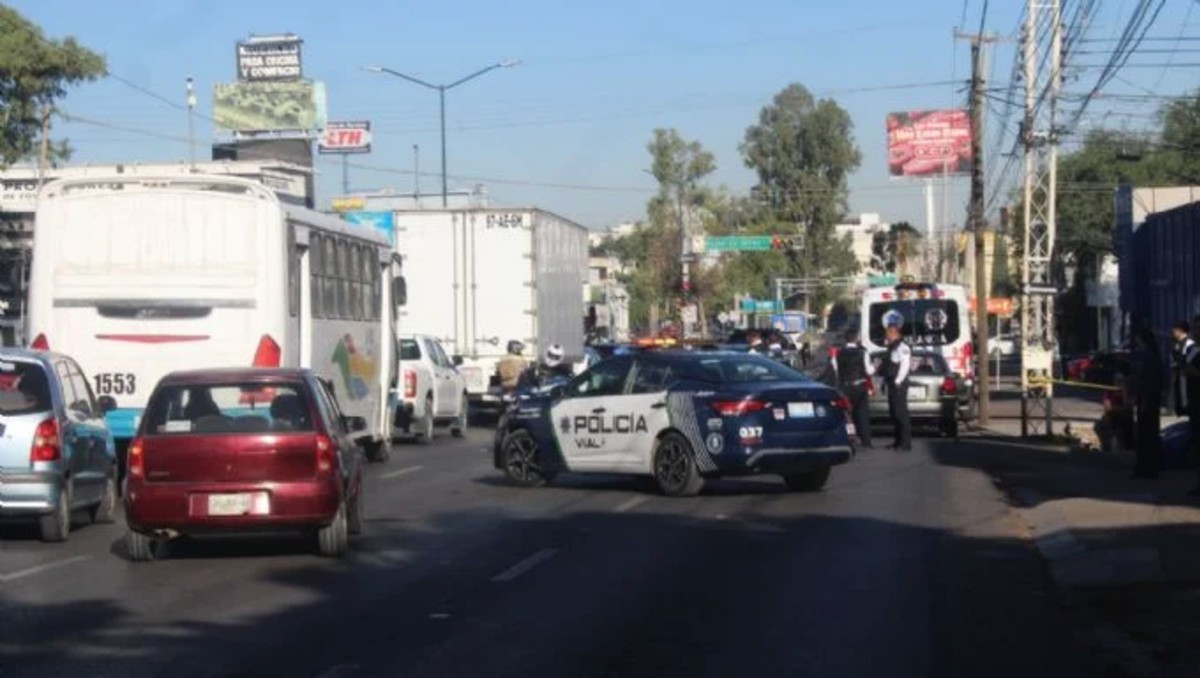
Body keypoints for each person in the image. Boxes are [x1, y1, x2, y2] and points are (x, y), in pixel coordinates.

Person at [1129, 327, 1164, 479]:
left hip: (1148, 402)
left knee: (1146, 436)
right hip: (1148, 401)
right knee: (1147, 436)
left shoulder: (1149, 358)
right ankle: (1147, 468)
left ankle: (1146, 469)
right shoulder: (1151, 356)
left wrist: (1143, 400)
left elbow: (1149, 382)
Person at [833, 328, 874, 449]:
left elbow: (836, 371)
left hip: (845, 387)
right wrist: (875, 366)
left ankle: (850, 439)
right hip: (860, 386)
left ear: (845, 339)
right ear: (856, 338)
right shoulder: (863, 352)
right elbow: (869, 371)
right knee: (862, 414)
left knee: (847, 415)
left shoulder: (838, 353)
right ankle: (866, 441)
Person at [880, 321, 913, 451]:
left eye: (887, 333)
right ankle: (898, 441)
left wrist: (898, 381)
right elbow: (889, 366)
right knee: (894, 413)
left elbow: (904, 366)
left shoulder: (902, 347)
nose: (886, 336)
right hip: (892, 382)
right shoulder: (892, 347)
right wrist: (884, 382)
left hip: (899, 384)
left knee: (901, 413)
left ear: (893, 333)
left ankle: (906, 443)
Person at [1171, 321, 1195, 417]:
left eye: (1175, 329)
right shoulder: (1177, 343)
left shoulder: (1189, 343)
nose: (1172, 332)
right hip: (1179, 373)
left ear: (1180, 330)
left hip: (1187, 375)